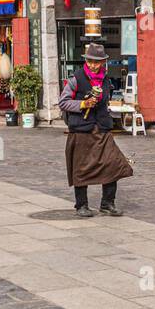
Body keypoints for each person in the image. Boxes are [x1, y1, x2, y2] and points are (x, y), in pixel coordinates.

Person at [58, 43, 133, 218]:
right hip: (82, 131)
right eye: (91, 61)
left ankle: (107, 204)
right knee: (81, 169)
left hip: (102, 130)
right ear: (86, 60)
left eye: (97, 62)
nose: (93, 65)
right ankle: (81, 205)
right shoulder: (76, 79)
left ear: (103, 62)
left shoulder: (106, 80)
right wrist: (83, 104)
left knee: (114, 165)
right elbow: (63, 102)